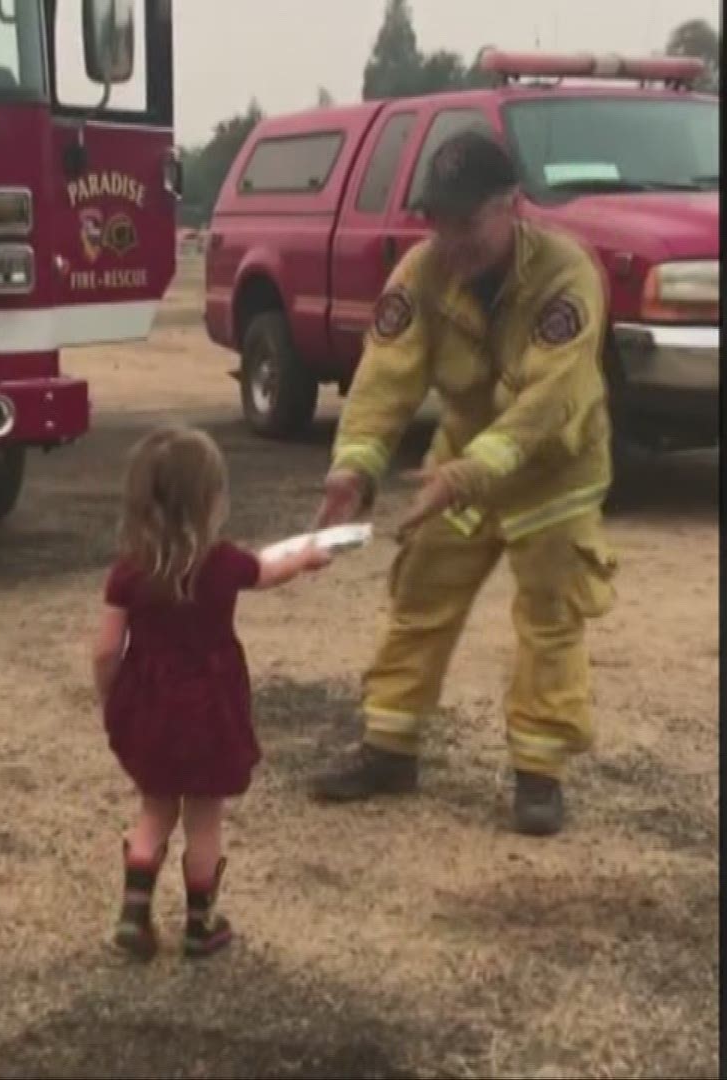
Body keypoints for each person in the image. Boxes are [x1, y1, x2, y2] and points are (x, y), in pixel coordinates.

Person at [310, 129, 619, 837]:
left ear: (511, 205)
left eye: (465, 222)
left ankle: (540, 776)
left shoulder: (566, 275)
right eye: (437, 221)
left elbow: (550, 400)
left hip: (553, 470)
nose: (449, 240)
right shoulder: (421, 273)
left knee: (550, 618)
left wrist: (472, 472)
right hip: (458, 466)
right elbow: (385, 375)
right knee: (420, 593)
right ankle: (389, 749)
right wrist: (353, 468)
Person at [92, 425, 331, 960]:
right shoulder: (224, 564)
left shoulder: (128, 572)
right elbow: (271, 571)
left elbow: (106, 649)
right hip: (212, 707)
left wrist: (113, 700)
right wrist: (308, 557)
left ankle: (134, 919)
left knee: (155, 809)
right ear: (210, 499)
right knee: (205, 816)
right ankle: (201, 925)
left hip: (151, 704)